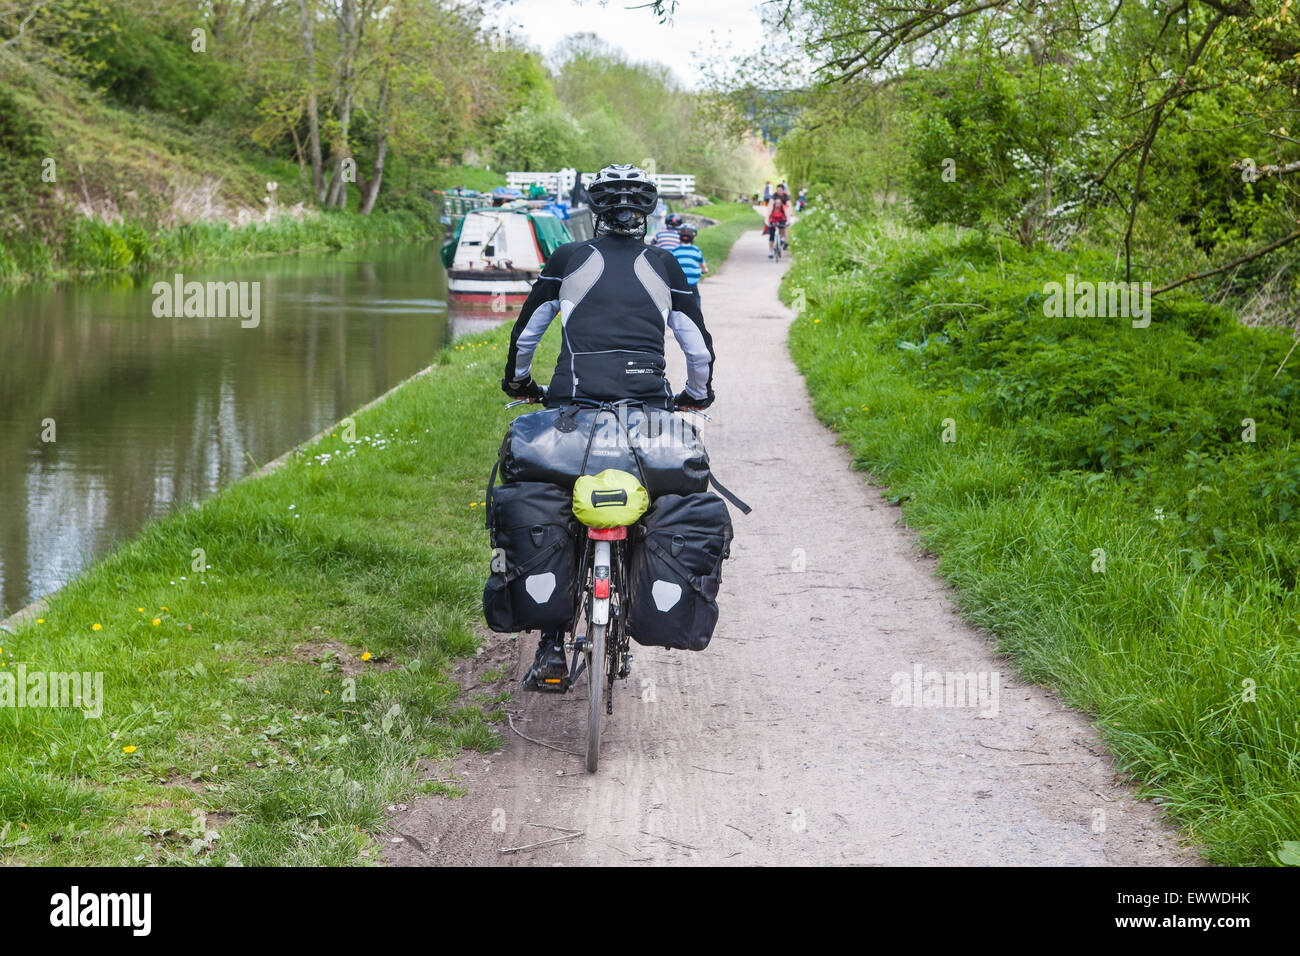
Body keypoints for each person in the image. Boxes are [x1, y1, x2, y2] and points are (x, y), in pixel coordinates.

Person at [501, 163, 716, 691]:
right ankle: (641, 587)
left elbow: (527, 334)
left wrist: (519, 383)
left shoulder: (568, 259)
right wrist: (696, 395)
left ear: (595, 211)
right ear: (647, 212)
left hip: (572, 408)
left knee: (553, 494)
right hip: (647, 413)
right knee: (653, 497)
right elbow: (696, 347)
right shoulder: (666, 264)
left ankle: (551, 646)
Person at [671, 225, 707, 310]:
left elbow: (671, 263)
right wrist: (704, 270)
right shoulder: (696, 250)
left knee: (678, 297)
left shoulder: (675, 250)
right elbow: (702, 264)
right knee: (696, 296)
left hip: (680, 281)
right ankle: (697, 314)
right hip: (692, 282)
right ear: (693, 238)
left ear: (679, 238)